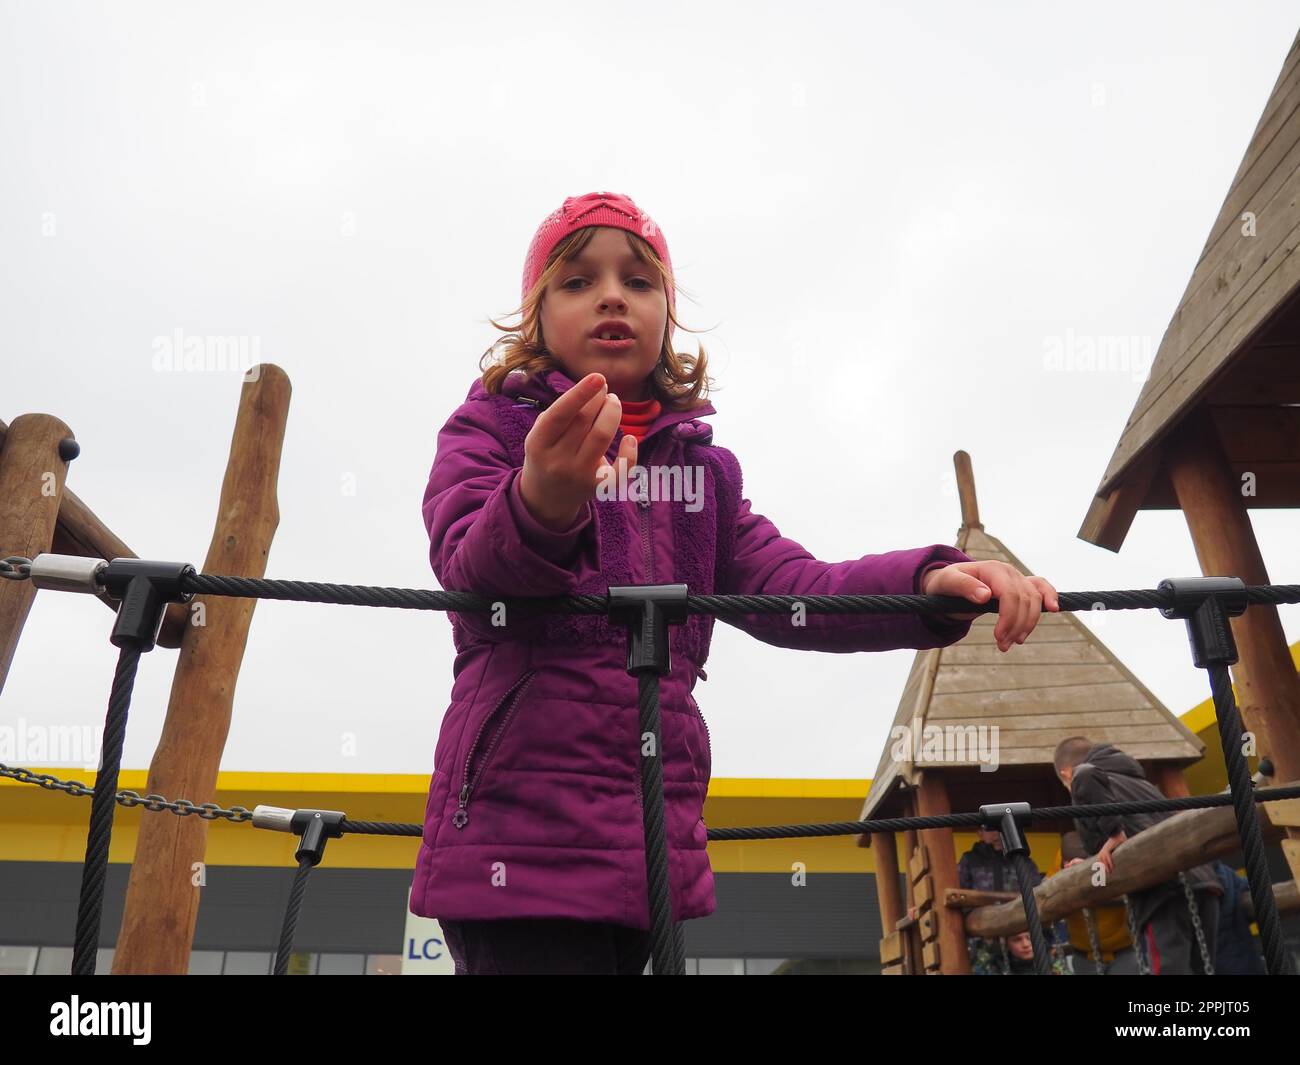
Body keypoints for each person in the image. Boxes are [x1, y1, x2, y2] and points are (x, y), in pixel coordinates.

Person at [413, 190, 1062, 974]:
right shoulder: (493, 425)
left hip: (647, 836)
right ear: (537, 316)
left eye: (639, 281)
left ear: (667, 317)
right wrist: (541, 499)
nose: (612, 294)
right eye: (578, 280)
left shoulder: (701, 473)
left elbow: (797, 589)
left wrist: (928, 580)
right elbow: (469, 572)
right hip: (517, 837)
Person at [1053, 737, 1224, 975]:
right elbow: (1139, 827)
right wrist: (1092, 863)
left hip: (1161, 890)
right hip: (1203, 882)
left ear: (1066, 773)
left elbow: (1086, 774)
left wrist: (1114, 833)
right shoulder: (1136, 782)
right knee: (1202, 970)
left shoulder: (1084, 775)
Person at [959, 825, 1067, 974]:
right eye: (989, 828)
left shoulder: (1024, 862)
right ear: (980, 833)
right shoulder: (969, 861)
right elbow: (960, 897)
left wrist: (1048, 938)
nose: (996, 832)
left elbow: (1039, 898)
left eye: (999, 828)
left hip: (1022, 931)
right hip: (983, 938)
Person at [1051, 830, 1138, 973]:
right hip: (1084, 955)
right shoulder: (1058, 874)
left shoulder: (1110, 862)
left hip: (1123, 952)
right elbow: (1046, 895)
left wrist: (1092, 873)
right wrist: (1071, 879)